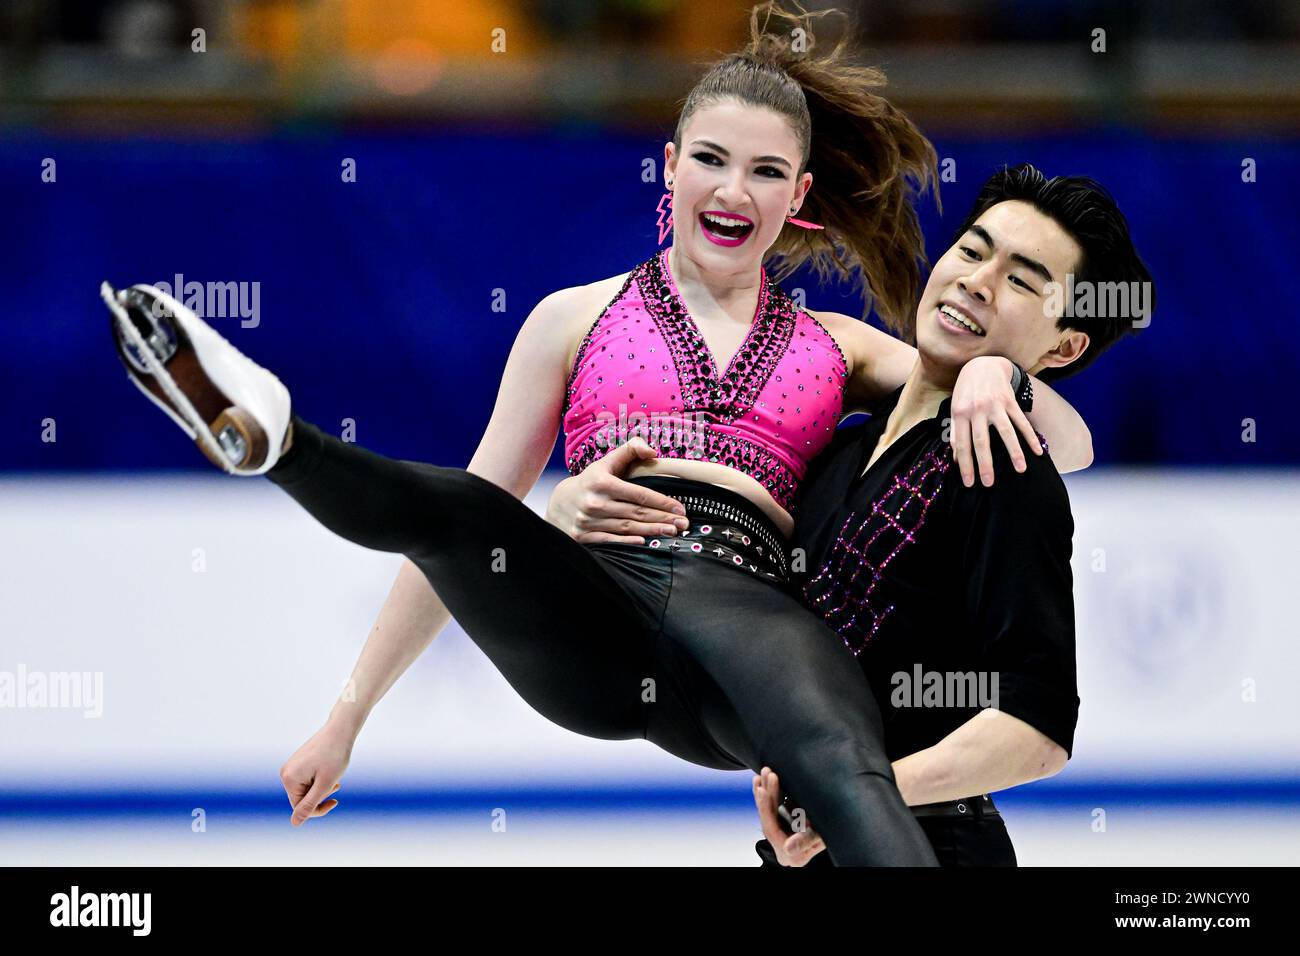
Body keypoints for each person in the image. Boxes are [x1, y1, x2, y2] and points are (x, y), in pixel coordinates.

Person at [101, 3, 1093, 865]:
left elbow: (1071, 442)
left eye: (763, 172)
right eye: (708, 158)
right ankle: (274, 440)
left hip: (744, 616)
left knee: (841, 759)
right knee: (456, 508)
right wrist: (347, 715)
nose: (730, 191)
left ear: (798, 198)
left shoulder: (839, 344)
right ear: (668, 165)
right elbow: (457, 528)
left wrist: (996, 373)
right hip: (592, 615)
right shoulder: (570, 319)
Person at [547, 164, 1154, 866]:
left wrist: (859, 797)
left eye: (1021, 280)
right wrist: (568, 516)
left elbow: (1036, 729)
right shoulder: (836, 453)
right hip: (812, 845)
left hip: (931, 844)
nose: (977, 281)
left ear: (1063, 347)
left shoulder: (1002, 469)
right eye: (972, 249)